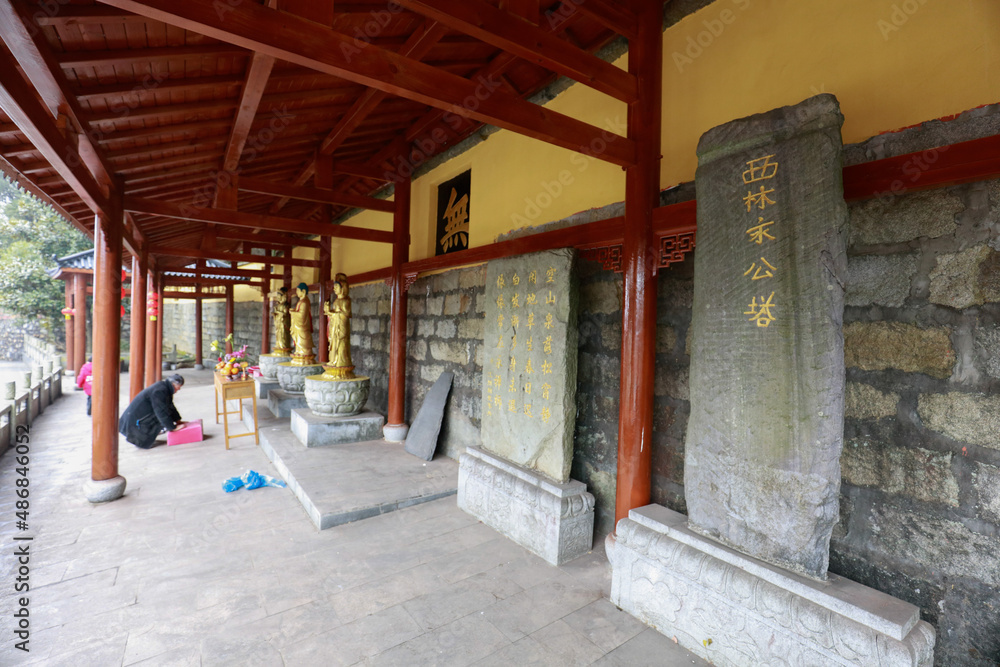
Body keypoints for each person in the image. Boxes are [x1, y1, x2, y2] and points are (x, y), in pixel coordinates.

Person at [118, 374, 185, 449]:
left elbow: (170, 406)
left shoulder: (164, 388)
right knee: (161, 415)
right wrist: (172, 427)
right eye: (179, 386)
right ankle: (142, 439)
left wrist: (178, 420)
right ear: (174, 384)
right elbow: (161, 411)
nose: (179, 389)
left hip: (135, 417)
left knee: (164, 414)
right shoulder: (160, 390)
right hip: (134, 421)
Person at [323, 273, 354, 376]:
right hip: (334, 326)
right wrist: (328, 311)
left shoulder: (346, 300)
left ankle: (342, 362)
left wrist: (334, 314)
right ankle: (333, 360)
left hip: (341, 326)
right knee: (333, 343)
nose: (334, 289)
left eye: (336, 287)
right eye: (334, 287)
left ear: (342, 288)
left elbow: (346, 314)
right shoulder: (336, 301)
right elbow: (335, 313)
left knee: (341, 344)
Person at [289, 282, 314, 363]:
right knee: (299, 341)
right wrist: (294, 311)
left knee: (303, 340)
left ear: (303, 291)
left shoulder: (304, 302)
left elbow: (302, 316)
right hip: (298, 326)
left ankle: (304, 352)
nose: (297, 292)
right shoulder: (301, 301)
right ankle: (299, 351)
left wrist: (293, 313)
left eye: (298, 290)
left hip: (302, 326)